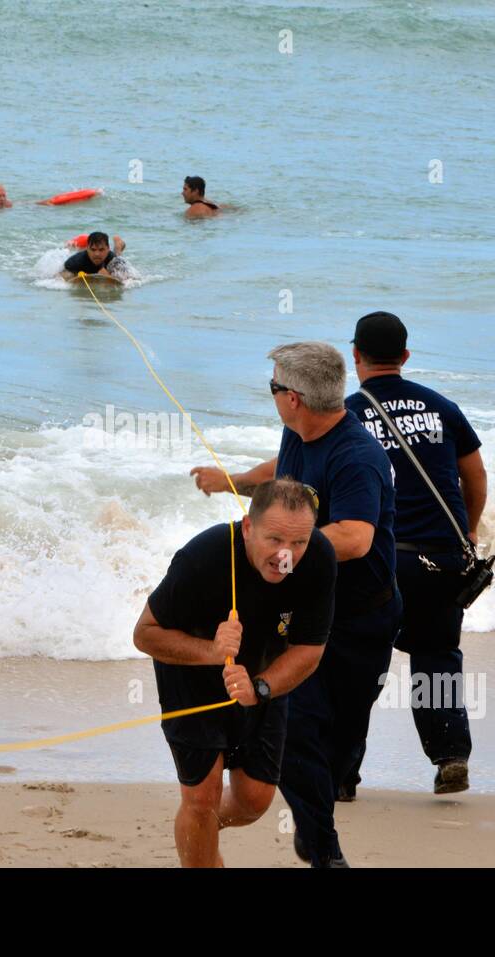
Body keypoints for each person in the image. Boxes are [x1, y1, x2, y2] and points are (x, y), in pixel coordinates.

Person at [190, 342, 397, 867]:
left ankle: (321, 810)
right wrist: (232, 481)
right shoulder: (298, 431)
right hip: (300, 618)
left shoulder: (358, 457)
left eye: (274, 388)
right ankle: (324, 850)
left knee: (342, 741)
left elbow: (354, 537)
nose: (273, 397)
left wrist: (281, 548)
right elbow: (286, 471)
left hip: (362, 618)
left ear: (296, 398)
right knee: (301, 732)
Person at [134, 478, 337, 867]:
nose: (286, 555)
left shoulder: (319, 559)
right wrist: (211, 651)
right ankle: (197, 821)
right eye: (274, 539)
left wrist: (260, 688)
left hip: (261, 674)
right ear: (248, 527)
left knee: (254, 801)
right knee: (202, 797)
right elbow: (144, 634)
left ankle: (197, 826)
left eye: (298, 543)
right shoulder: (203, 557)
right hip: (190, 676)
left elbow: (309, 650)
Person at [344, 311, 488, 797]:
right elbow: (476, 478)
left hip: (380, 558)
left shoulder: (348, 415)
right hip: (442, 557)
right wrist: (464, 535)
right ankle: (451, 757)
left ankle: (341, 774)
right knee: (437, 657)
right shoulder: (442, 406)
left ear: (355, 354)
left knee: (359, 662)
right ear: (405, 357)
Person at [60, 231, 127, 281]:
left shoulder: (112, 258)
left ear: (108, 249)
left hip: (109, 259)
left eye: (101, 250)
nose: (97, 254)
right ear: (87, 249)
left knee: (118, 256)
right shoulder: (77, 260)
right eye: (93, 250)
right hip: (83, 259)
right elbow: (60, 276)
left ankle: (118, 245)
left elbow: (126, 278)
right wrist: (74, 276)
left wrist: (111, 277)